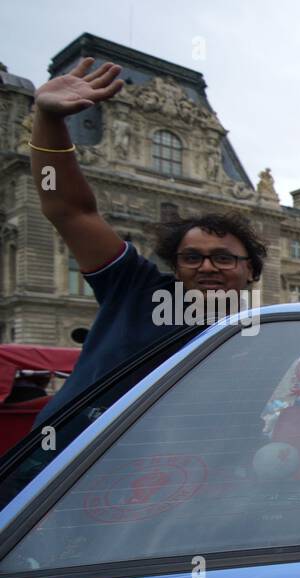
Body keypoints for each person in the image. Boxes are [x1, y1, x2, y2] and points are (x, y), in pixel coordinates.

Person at [28, 57, 267, 428]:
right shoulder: (133, 290)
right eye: (192, 257)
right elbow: (67, 209)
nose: (206, 267)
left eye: (222, 258)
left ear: (249, 267)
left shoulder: (263, 330)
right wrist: (49, 121)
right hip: (68, 460)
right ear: (175, 265)